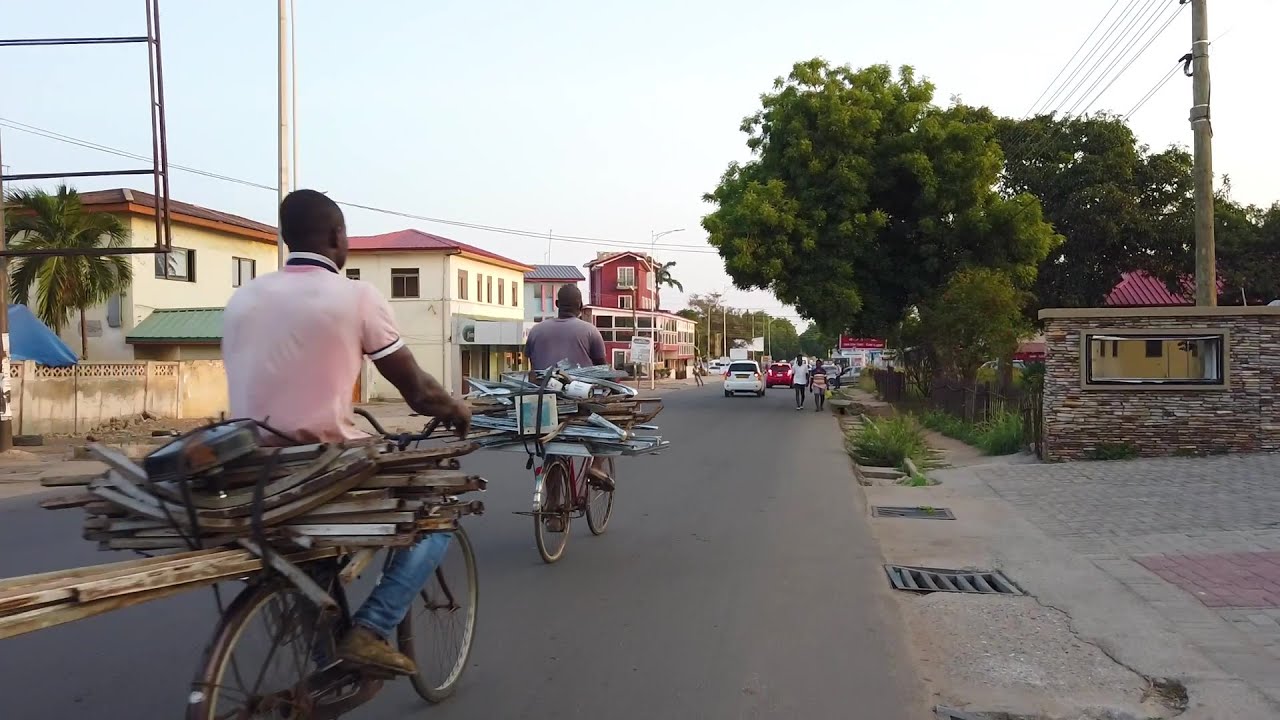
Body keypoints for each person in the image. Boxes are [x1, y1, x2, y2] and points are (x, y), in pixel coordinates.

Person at [222, 189, 471, 677]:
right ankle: (371, 629)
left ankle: (324, 656)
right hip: (324, 464)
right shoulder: (355, 296)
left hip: (248, 465)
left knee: (311, 554)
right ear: (338, 236)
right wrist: (457, 408)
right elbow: (418, 392)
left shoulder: (243, 296)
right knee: (437, 513)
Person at [524, 284, 614, 492]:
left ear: (556, 305)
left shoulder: (536, 331)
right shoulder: (590, 331)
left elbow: (532, 369)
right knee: (609, 421)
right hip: (579, 401)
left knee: (552, 451)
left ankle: (554, 508)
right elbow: (603, 371)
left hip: (543, 404)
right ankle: (598, 466)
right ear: (581, 306)